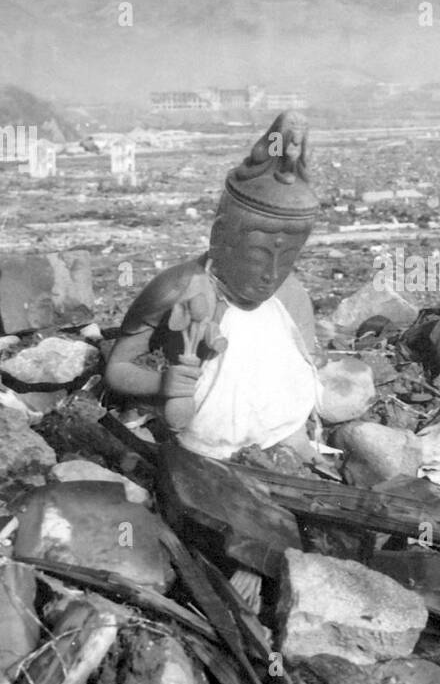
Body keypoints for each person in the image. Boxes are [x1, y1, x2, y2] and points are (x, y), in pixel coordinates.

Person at [105, 113, 320, 462]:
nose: (272, 274)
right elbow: (116, 369)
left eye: (288, 258)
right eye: (259, 255)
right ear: (220, 235)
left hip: (280, 428)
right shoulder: (180, 288)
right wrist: (162, 384)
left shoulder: (290, 295)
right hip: (201, 436)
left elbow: (301, 373)